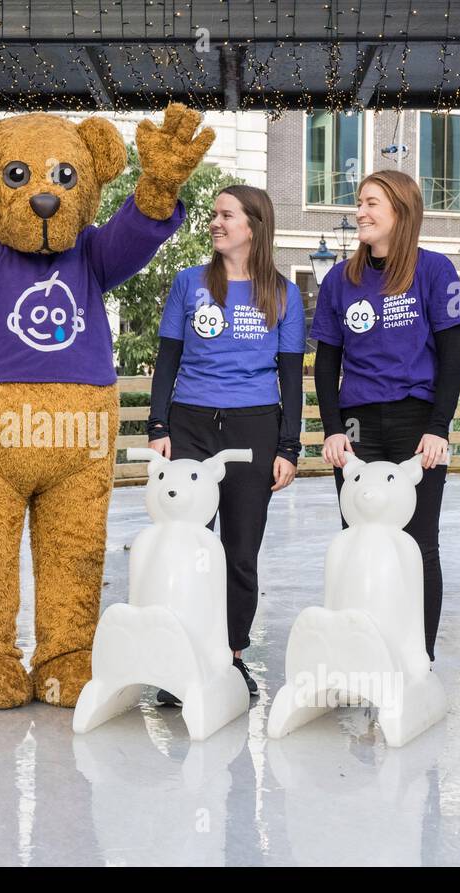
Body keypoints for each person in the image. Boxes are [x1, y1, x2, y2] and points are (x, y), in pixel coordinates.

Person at [147, 184, 306, 701]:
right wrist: (158, 427)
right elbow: (167, 358)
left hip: (254, 427)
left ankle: (232, 655)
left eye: (226, 215)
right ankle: (181, 657)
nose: (215, 223)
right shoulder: (188, 283)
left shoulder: (282, 293)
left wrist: (288, 447)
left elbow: (290, 377)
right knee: (187, 546)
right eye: (214, 215)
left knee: (240, 550)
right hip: (190, 423)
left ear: (254, 226)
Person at [311, 169, 460, 664]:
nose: (360, 211)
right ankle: (359, 655)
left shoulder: (434, 270)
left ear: (399, 212)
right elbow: (326, 362)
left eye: (371, 203)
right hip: (358, 425)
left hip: (415, 422)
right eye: (359, 202)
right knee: (358, 541)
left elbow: (452, 359)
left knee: (419, 544)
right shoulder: (341, 278)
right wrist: (333, 429)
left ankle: (417, 658)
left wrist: (438, 427)